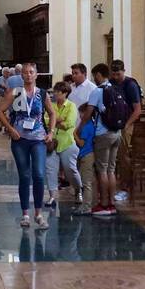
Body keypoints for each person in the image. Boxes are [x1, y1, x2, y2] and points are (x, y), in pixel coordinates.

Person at [0, 59, 55, 230]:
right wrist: (9, 129)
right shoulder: (15, 92)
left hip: (38, 139)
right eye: (25, 72)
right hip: (19, 139)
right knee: (24, 176)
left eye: (31, 72)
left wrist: (50, 132)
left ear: (36, 74)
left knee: (38, 174)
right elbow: (0, 111)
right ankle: (25, 214)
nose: (28, 75)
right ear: (21, 75)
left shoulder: (42, 93)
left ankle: (38, 213)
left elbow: (52, 113)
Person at [78, 61, 127, 218]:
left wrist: (78, 129)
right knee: (111, 169)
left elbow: (88, 113)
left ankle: (103, 204)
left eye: (95, 76)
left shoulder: (98, 91)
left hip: (103, 134)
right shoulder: (115, 88)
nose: (94, 78)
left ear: (99, 75)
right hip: (116, 133)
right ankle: (112, 204)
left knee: (102, 169)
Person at [44, 80, 82, 209]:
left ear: (65, 93)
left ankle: (78, 190)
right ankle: (52, 196)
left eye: (57, 92)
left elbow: (69, 124)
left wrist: (54, 121)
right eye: (54, 91)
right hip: (52, 142)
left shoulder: (71, 106)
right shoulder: (51, 105)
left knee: (70, 169)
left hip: (67, 142)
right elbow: (46, 119)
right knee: (50, 170)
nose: (54, 94)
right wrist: (57, 120)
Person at [73, 100, 97, 215]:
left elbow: (81, 143)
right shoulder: (90, 124)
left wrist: (74, 135)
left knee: (86, 182)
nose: (80, 116)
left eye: (81, 113)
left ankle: (87, 206)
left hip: (87, 154)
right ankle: (90, 204)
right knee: (88, 181)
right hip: (88, 154)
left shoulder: (87, 126)